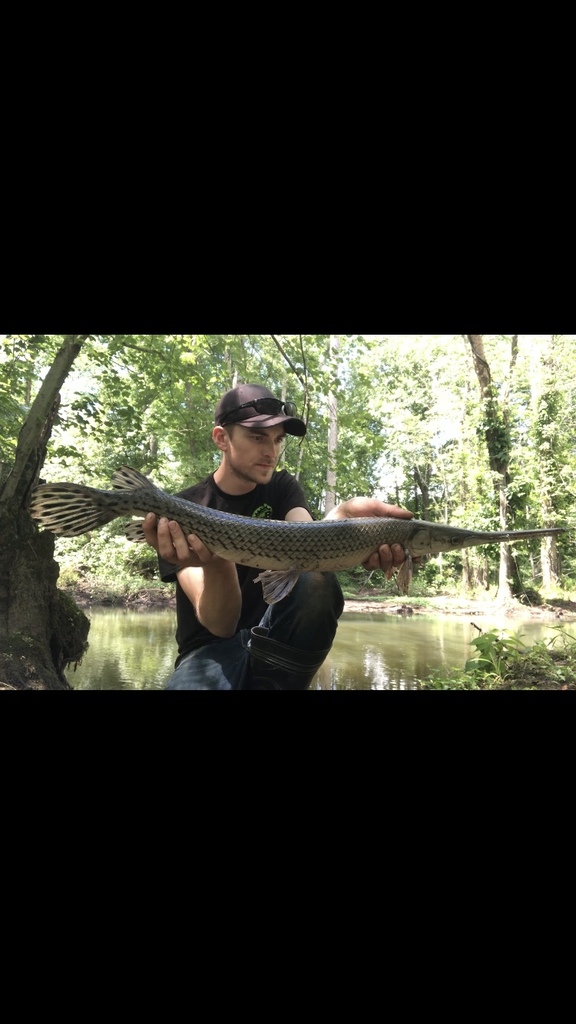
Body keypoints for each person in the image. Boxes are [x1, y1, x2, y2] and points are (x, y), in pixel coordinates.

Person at [142, 383, 414, 690]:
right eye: (257, 437)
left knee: (316, 577)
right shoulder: (183, 510)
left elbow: (309, 541)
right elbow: (220, 625)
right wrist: (216, 560)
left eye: (278, 440)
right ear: (222, 438)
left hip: (277, 645)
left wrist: (344, 517)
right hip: (208, 653)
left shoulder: (283, 487)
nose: (271, 452)